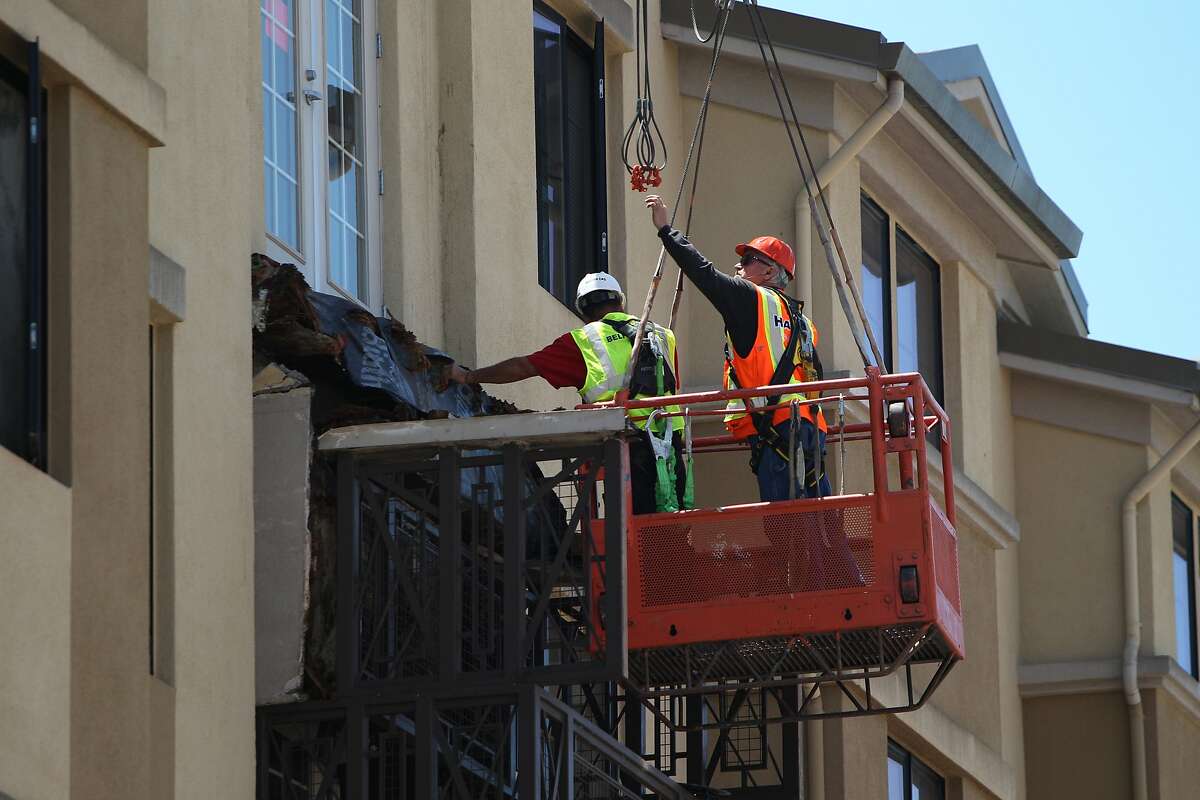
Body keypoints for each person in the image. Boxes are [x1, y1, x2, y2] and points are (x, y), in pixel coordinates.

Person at [447, 272, 690, 515]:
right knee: (671, 521)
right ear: (620, 302)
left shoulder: (584, 340)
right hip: (670, 446)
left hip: (628, 447)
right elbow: (670, 384)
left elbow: (525, 366)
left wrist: (469, 377)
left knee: (634, 528)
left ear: (583, 311)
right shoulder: (662, 334)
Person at [646, 194, 831, 502]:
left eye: (747, 261)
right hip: (812, 428)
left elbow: (705, 275)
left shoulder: (752, 299)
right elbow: (816, 378)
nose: (738, 265)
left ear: (770, 272)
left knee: (786, 529)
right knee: (819, 524)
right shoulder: (802, 322)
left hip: (779, 428)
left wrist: (666, 231)